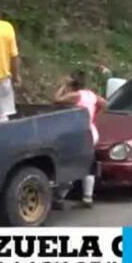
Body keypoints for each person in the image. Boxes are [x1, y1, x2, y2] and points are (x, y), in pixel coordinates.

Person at [54, 71, 107, 208]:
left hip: (78, 133)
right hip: (92, 131)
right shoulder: (91, 95)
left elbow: (57, 99)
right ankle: (87, 197)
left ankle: (60, 197)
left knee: (71, 164)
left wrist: (62, 86)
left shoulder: (76, 95)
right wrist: (95, 112)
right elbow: (105, 103)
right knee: (89, 163)